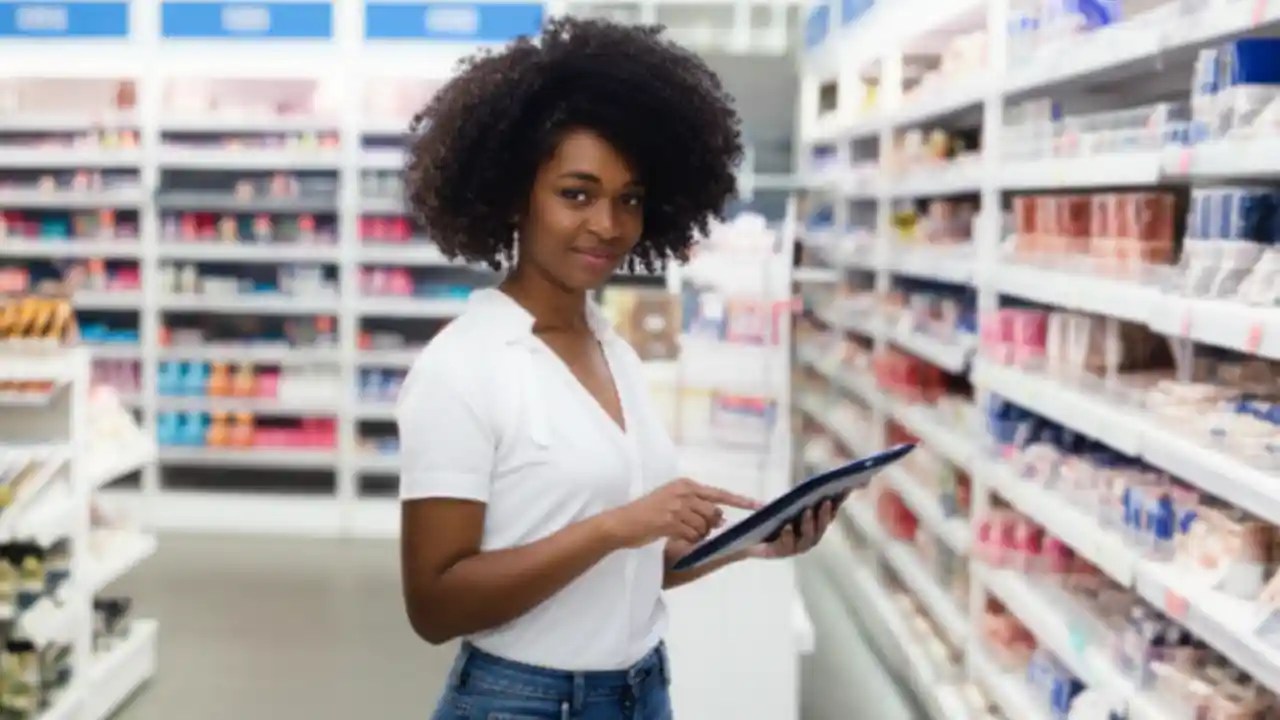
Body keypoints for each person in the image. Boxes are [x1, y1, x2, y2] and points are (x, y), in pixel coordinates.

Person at [396, 17, 838, 720]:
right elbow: (435, 604)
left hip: (640, 690)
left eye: (628, 199)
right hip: (522, 703)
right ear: (514, 196)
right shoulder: (463, 367)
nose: (607, 224)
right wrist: (615, 526)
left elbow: (615, 579)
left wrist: (743, 546)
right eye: (576, 193)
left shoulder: (614, 350)